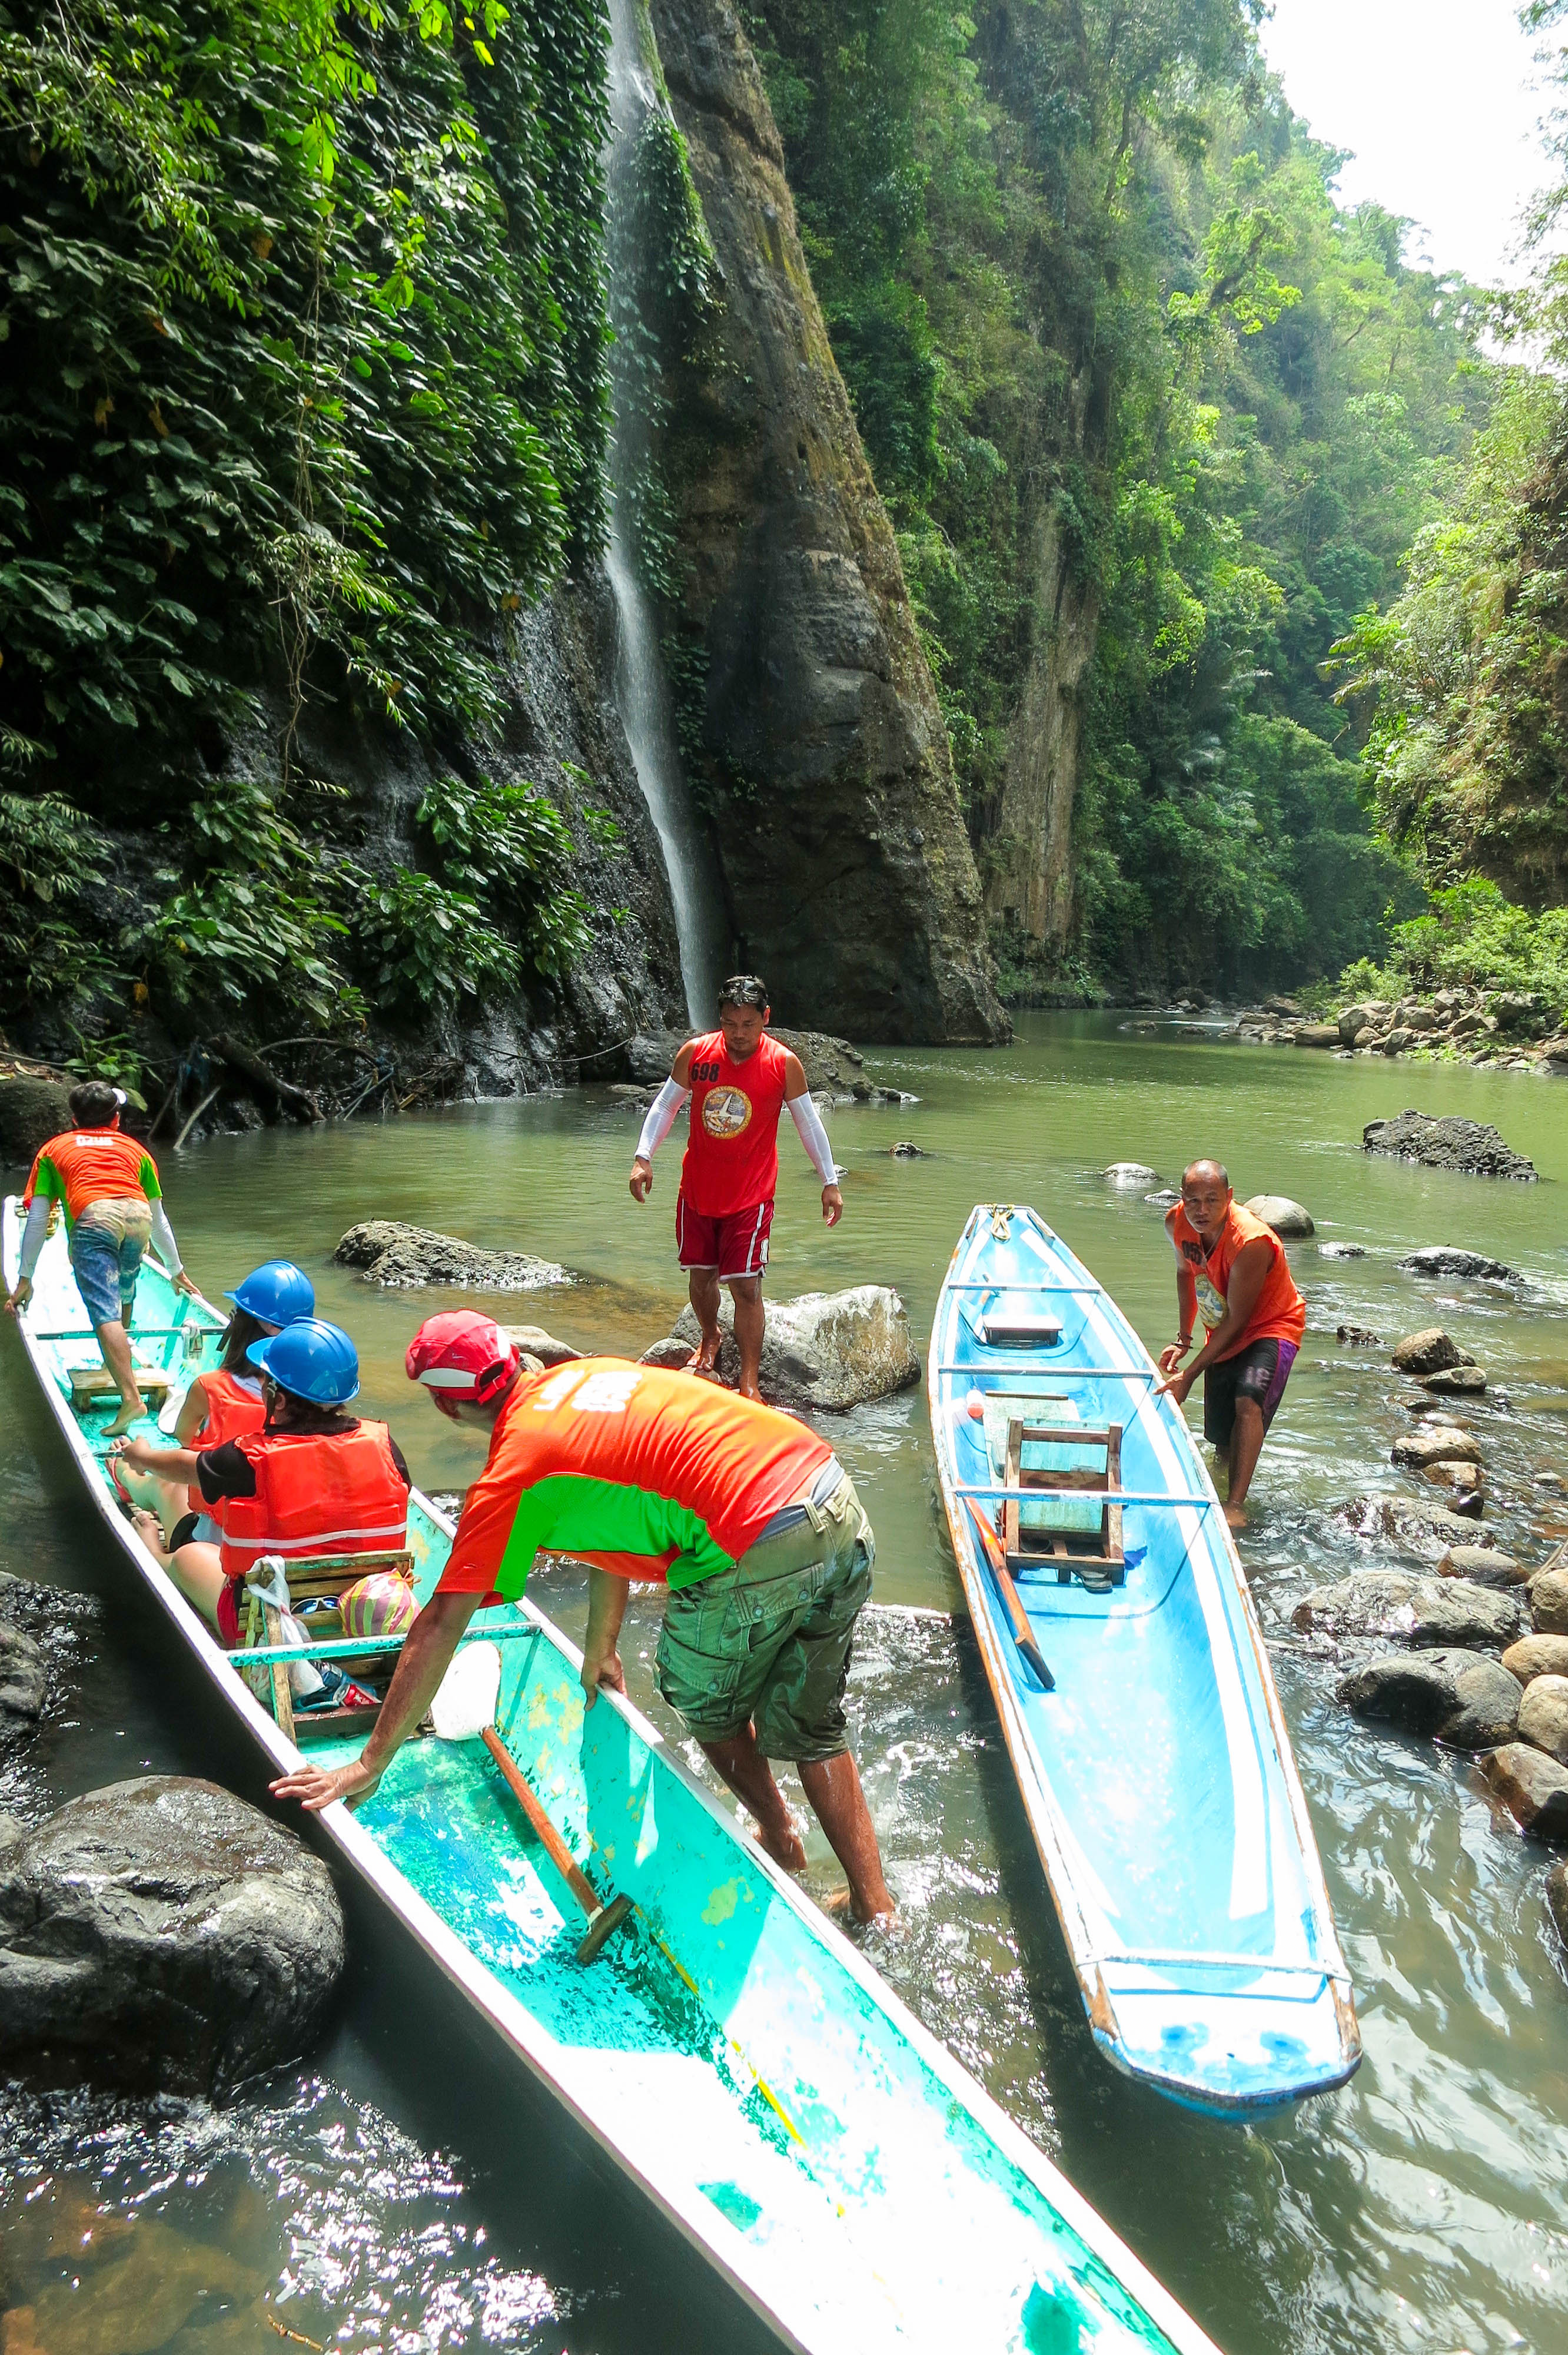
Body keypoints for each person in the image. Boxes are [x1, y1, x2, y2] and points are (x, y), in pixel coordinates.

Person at [271, 1311, 895, 1925]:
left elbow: (441, 1623)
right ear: (514, 1361)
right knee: (813, 1728)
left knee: (698, 1695)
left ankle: (782, 1837)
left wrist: (370, 1761)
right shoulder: (588, 1377)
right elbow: (612, 1528)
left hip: (756, 1534)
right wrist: (601, 1646)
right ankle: (876, 1907)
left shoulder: (513, 1473)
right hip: (832, 1494)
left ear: (446, 1406)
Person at [115, 1318, 410, 1659]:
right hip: (366, 1616)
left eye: (265, 1380)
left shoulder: (250, 1459)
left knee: (188, 1556)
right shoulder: (387, 1447)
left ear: (279, 1400)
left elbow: (184, 1466)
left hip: (263, 1625)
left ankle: (153, 1550)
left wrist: (143, 1456)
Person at [627, 974, 842, 1400]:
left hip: (751, 1196)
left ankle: (748, 1380)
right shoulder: (697, 1054)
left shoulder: (784, 1064)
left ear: (766, 1018)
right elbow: (667, 1104)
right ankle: (710, 1336)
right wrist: (643, 1156)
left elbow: (808, 1123)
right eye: (730, 1024)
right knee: (701, 1277)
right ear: (719, 1020)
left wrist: (829, 1181)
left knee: (746, 1288)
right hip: (698, 1190)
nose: (739, 1035)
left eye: (748, 1024)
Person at [5, 1080, 196, 1434]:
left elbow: (36, 1218)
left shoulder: (53, 1149)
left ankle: (131, 1399)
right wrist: (176, 1270)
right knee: (125, 1291)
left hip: (96, 1221)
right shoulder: (136, 1150)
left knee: (103, 1312)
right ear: (117, 1120)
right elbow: (160, 1218)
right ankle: (118, 1364)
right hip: (139, 1218)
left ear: (75, 1119)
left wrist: (25, 1279)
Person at [110, 1260, 316, 1547]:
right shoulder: (314, 1404)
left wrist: (146, 1455)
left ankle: (125, 1473)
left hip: (217, 1541)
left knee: (168, 1485)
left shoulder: (211, 1387)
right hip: (290, 1534)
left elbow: (184, 1438)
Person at [1153, 1160, 1307, 1530]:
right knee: (1222, 1439)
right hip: (1221, 1330)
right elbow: (1184, 1274)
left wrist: (1188, 1376)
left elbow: (1240, 1320)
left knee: (1248, 1400)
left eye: (1212, 1200)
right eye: (1193, 1201)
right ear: (1182, 1199)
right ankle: (1221, 1484)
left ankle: (1235, 1504)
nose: (1201, 1211)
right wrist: (1184, 1339)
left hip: (1271, 1326)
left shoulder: (1250, 1241)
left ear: (1230, 1197)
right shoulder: (1177, 1223)